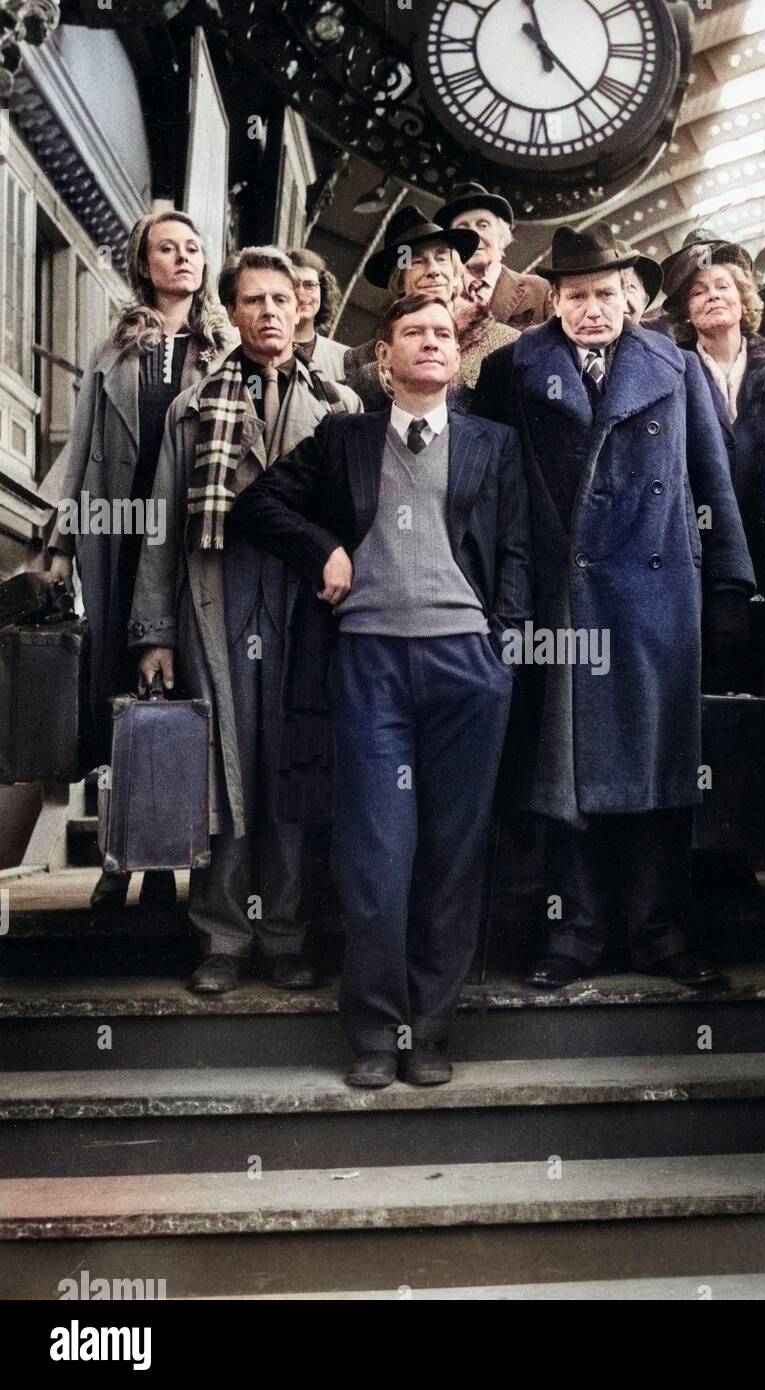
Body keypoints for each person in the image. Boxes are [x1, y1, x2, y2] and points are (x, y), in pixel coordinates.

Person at [231, 293, 530, 1088]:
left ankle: (428, 1030)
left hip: (466, 667)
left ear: (456, 354)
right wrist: (323, 547)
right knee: (376, 854)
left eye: (442, 333)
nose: (430, 343)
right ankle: (373, 1031)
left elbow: (519, 551)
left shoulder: (491, 444)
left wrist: (502, 646)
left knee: (452, 854)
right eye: (413, 334)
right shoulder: (344, 437)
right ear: (384, 358)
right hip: (368, 667)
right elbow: (255, 504)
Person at [473, 224, 755, 991]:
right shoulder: (510, 369)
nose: (590, 308)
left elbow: (709, 478)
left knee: (661, 776)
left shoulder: (675, 364)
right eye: (574, 296)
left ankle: (659, 936)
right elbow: (490, 489)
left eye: (603, 293)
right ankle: (575, 938)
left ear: (629, 294)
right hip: (558, 603)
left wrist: (729, 585)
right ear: (553, 302)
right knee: (566, 776)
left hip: (656, 600)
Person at [128, 247, 361, 995]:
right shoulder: (192, 408)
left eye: (282, 300)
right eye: (253, 300)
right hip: (215, 599)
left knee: (289, 771)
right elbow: (162, 525)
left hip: (302, 612)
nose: (269, 312)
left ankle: (287, 936)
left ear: (303, 310)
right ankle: (224, 938)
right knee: (223, 774)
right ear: (230, 314)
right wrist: (154, 632)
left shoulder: (337, 407)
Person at [46, 210, 231, 914]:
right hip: (120, 531)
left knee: (184, 683)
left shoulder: (224, 345)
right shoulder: (111, 351)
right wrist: (63, 543)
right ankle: (123, 857)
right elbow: (84, 447)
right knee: (122, 688)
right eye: (167, 249)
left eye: (193, 248)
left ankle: (164, 862)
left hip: (194, 533)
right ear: (143, 264)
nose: (182, 259)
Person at [667, 253, 765, 691]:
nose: (712, 296)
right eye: (698, 292)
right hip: (705, 546)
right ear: (686, 311)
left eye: (722, 286)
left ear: (743, 301)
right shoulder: (673, 370)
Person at [343, 206, 517, 413]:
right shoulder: (361, 359)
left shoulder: (507, 343)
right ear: (399, 282)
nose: (433, 270)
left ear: (455, 276)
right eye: (417, 261)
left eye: (442, 258)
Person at [437, 181, 549, 329]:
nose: (474, 235)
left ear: (501, 234)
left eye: (483, 225)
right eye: (462, 228)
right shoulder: (439, 297)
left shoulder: (539, 289)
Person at [287, 247, 349, 382]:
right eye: (293, 285)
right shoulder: (257, 351)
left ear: (322, 291)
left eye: (309, 285)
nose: (301, 296)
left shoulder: (345, 359)